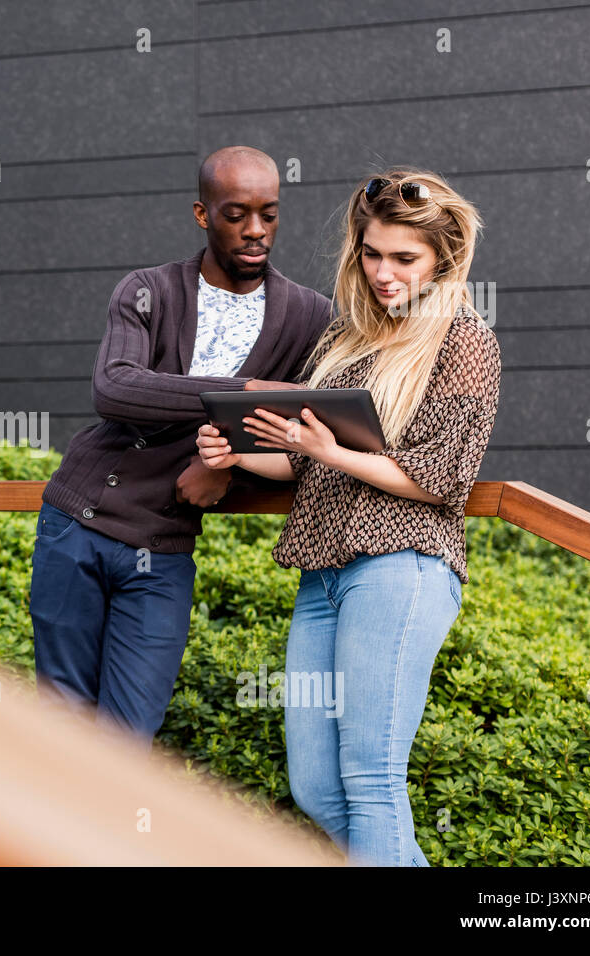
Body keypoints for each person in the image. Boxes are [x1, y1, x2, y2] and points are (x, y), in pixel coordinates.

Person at [195, 168, 502, 865]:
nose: (384, 271)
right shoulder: (349, 336)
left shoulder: (464, 341)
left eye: (404, 258)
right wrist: (241, 452)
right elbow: (302, 459)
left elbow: (443, 479)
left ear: (442, 260)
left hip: (401, 568)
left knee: (370, 781)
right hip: (324, 577)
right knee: (317, 789)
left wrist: (325, 450)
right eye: (372, 253)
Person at [30, 146, 333, 747]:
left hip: (163, 546)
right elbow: (115, 387)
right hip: (77, 522)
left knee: (129, 736)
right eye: (236, 214)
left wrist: (223, 468)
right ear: (202, 213)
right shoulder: (147, 291)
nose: (255, 231)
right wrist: (244, 391)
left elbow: (309, 436)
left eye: (269, 214)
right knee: (58, 728)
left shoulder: (308, 315)